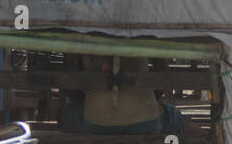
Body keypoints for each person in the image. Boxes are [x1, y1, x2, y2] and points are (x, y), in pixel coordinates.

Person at [59, 55, 190, 135]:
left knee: (67, 113)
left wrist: (95, 103)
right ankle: (205, 141)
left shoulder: (81, 34)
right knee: (172, 115)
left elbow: (71, 89)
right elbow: (162, 79)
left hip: (94, 123)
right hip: (147, 122)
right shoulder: (144, 31)